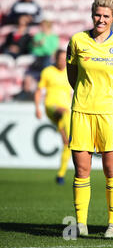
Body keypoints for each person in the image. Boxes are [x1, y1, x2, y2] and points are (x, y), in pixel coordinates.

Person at [66, 0, 113, 238]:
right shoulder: (76, 41)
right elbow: (72, 76)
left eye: (106, 15)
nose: (101, 20)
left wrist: (112, 101)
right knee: (82, 169)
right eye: (97, 15)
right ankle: (81, 223)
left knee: (111, 169)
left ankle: (112, 225)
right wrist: (87, 96)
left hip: (110, 114)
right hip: (82, 111)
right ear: (92, 15)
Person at [34, 49, 72, 185]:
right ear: (55, 59)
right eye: (60, 58)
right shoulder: (48, 72)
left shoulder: (70, 72)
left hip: (65, 110)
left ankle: (61, 174)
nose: (62, 61)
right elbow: (39, 90)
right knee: (63, 111)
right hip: (51, 106)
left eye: (64, 59)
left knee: (68, 142)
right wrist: (37, 108)